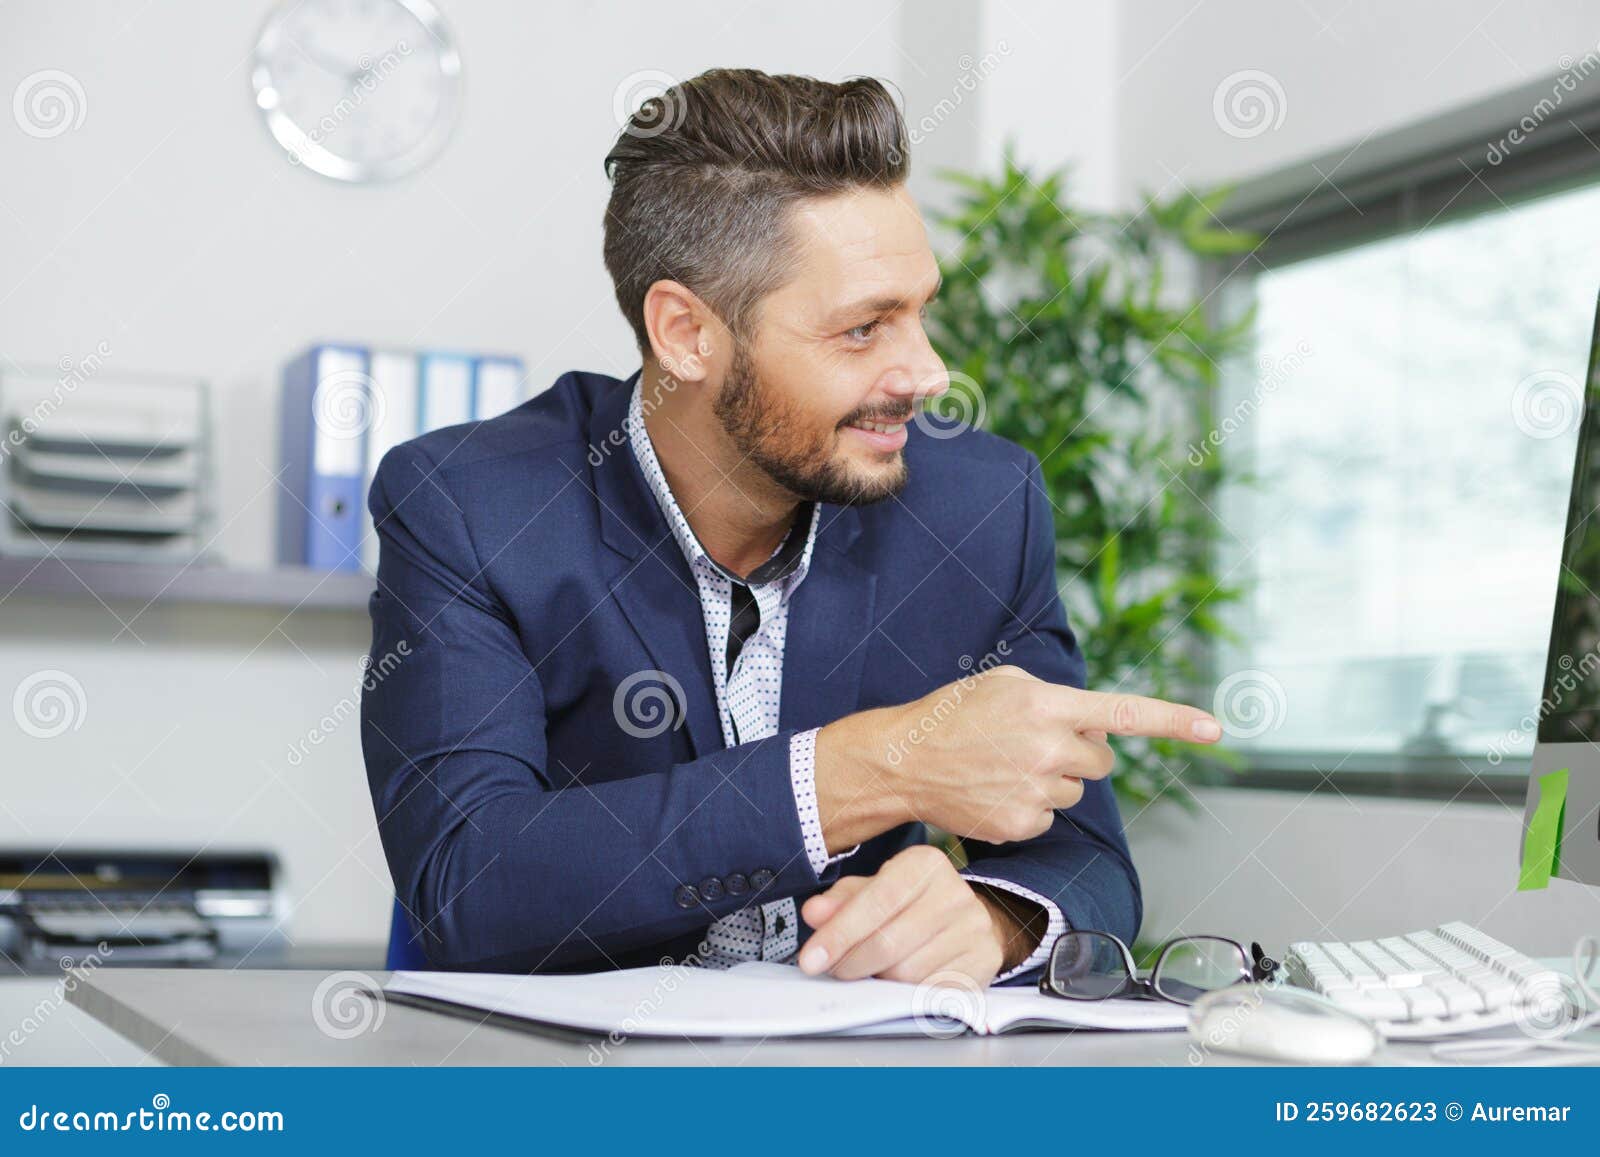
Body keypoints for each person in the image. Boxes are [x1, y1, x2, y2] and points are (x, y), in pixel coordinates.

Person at [360, 67, 1222, 988]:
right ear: (687, 334)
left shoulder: (980, 509)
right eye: (863, 329)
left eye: (921, 313)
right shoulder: (471, 505)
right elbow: (467, 886)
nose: (927, 373)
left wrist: (995, 917)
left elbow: (1082, 857)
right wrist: (860, 773)